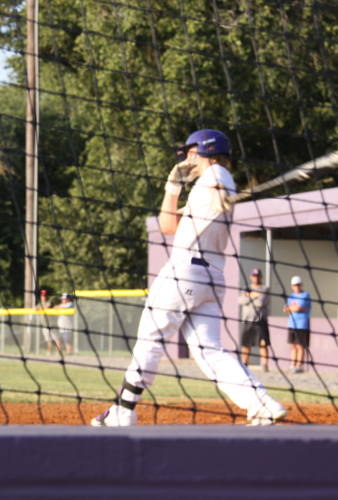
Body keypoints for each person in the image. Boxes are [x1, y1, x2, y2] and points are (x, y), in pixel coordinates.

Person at [91, 129, 287, 427]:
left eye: (191, 152)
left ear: (205, 150)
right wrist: (172, 189)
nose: (187, 158)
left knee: (150, 338)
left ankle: (123, 410)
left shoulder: (216, 173)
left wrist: (218, 190)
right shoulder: (203, 188)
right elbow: (168, 225)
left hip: (185, 271)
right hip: (210, 279)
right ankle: (261, 404)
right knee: (210, 351)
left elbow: (217, 181)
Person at [239, 268, 271, 372]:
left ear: (261, 277)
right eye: (254, 276)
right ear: (251, 277)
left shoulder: (265, 289)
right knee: (246, 344)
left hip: (260, 321)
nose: (256, 278)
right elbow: (240, 300)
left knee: (263, 344)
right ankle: (244, 364)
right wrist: (254, 295)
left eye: (258, 276)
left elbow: (260, 303)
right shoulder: (246, 288)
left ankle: (264, 366)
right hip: (248, 321)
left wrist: (249, 296)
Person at [283, 276, 311, 373]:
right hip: (292, 324)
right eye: (295, 285)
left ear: (301, 285)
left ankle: (299, 366)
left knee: (300, 346)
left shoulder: (305, 295)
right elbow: (286, 309)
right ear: (292, 286)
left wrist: (294, 308)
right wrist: (294, 308)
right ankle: (292, 365)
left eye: (298, 285)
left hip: (302, 325)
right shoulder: (291, 296)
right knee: (293, 346)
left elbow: (298, 308)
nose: (297, 287)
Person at [35, 289, 55, 355]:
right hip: (44, 324)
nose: (44, 297)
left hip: (51, 323)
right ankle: (49, 351)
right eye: (43, 296)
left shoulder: (50, 301)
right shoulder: (40, 303)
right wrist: (36, 308)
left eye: (45, 295)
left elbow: (47, 307)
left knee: (56, 337)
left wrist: (38, 308)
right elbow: (35, 308)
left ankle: (59, 352)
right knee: (48, 339)